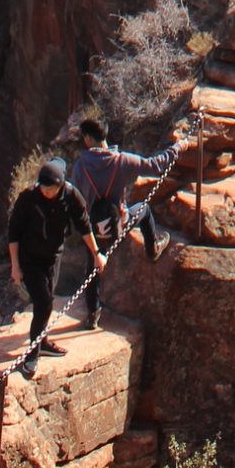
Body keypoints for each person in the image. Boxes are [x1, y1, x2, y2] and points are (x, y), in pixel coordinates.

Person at [69, 114, 176, 326]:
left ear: (89, 139)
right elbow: (155, 165)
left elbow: (73, 198)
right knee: (143, 209)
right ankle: (152, 248)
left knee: (92, 268)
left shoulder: (81, 167)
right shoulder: (122, 161)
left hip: (93, 230)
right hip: (120, 223)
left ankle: (93, 315)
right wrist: (177, 148)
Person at [6, 160, 98, 373]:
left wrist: (96, 254)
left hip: (53, 257)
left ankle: (43, 341)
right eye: (43, 188)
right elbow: (14, 233)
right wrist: (15, 266)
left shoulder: (71, 196)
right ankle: (31, 355)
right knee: (44, 303)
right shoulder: (28, 198)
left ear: (60, 185)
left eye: (50, 189)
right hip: (29, 258)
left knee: (47, 299)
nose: (46, 192)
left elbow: (84, 225)